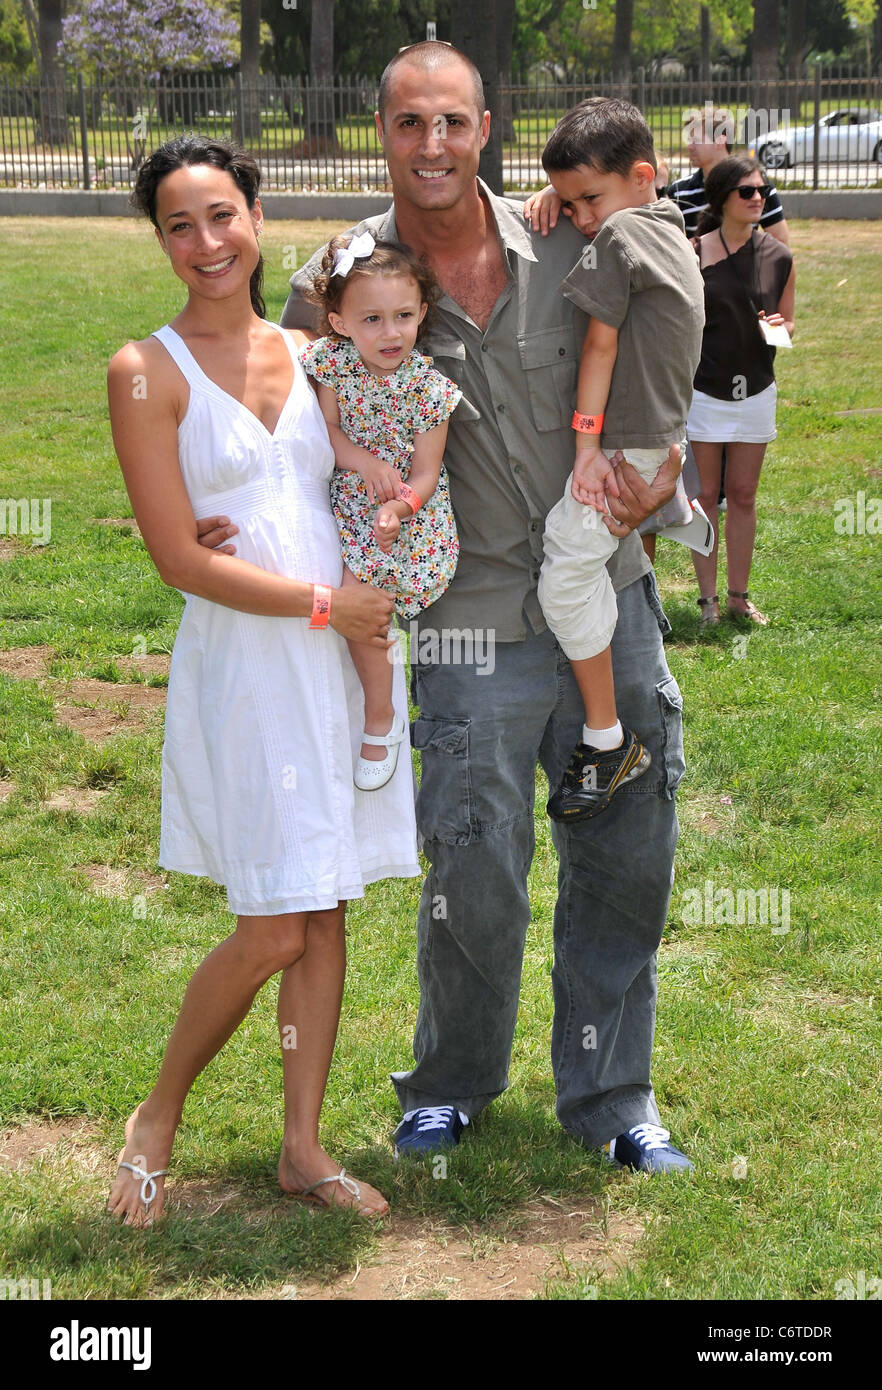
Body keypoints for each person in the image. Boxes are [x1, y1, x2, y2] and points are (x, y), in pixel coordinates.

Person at [199, 43, 692, 1174]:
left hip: (603, 591)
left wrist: (672, 474)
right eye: (411, 123)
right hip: (462, 620)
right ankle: (452, 1084)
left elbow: (669, 350)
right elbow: (277, 426)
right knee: (472, 862)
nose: (434, 146)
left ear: (488, 126)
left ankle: (614, 1098)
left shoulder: (575, 235)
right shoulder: (332, 281)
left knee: (626, 846)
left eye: (455, 123)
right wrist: (223, 515)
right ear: (381, 129)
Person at [105, 135, 420, 1226]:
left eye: (222, 215)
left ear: (256, 219)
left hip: (339, 665)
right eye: (180, 224)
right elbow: (180, 559)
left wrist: (388, 527)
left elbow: (362, 470)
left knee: (325, 914)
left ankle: (301, 1145)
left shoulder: (312, 349)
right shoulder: (144, 369)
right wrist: (329, 604)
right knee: (275, 925)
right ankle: (156, 1114)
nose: (206, 242)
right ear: (159, 239)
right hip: (250, 664)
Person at [522, 98, 704, 824]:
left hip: (624, 442)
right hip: (658, 436)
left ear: (641, 176)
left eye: (586, 200)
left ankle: (607, 737)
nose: (581, 218)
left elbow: (600, 345)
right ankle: (680, 511)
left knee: (564, 574)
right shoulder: (668, 224)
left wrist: (586, 450)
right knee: (584, 560)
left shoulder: (624, 232)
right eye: (568, 205)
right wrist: (564, 195)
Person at [299, 232, 461, 790]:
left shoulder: (429, 388)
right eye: (371, 319)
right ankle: (380, 715)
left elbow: (427, 473)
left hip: (410, 524)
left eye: (403, 316)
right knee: (356, 616)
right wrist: (364, 462)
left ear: (422, 313)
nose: (390, 333)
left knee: (370, 613)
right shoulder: (333, 367)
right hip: (348, 510)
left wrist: (398, 506)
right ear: (340, 322)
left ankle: (384, 714)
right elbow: (327, 433)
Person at [687, 156, 795, 626]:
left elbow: (789, 323)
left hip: (755, 389)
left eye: (763, 193)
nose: (758, 199)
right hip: (706, 391)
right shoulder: (694, 252)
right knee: (706, 495)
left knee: (744, 495)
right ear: (723, 198)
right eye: (747, 192)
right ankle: (707, 601)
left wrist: (778, 327)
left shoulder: (778, 256)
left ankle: (738, 597)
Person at [666, 106, 791, 246]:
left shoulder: (756, 186)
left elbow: (780, 240)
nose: (689, 146)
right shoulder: (679, 191)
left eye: (696, 140)